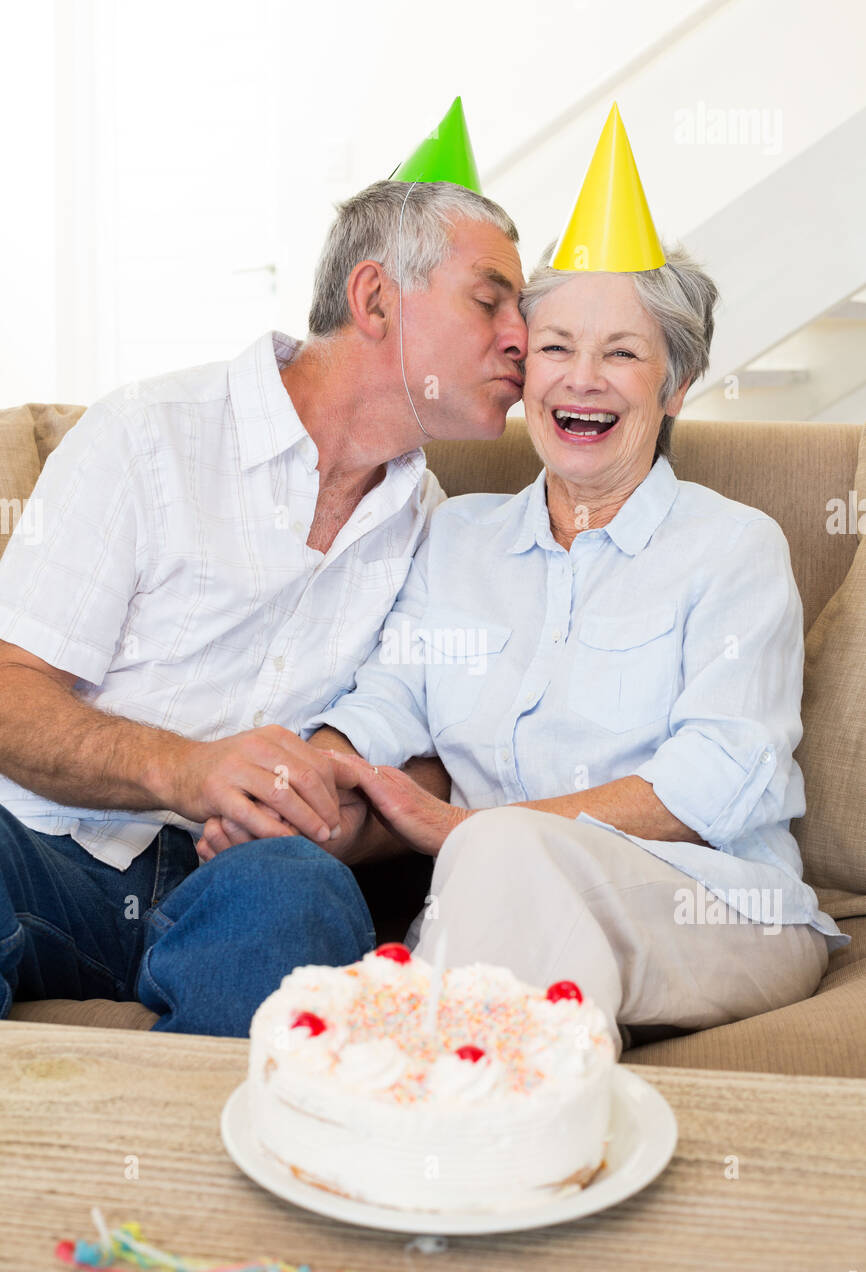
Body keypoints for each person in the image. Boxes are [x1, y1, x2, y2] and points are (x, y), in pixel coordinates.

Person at [199, 106, 849, 1055]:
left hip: (721, 908)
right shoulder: (456, 537)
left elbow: (718, 781)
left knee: (498, 857)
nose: (581, 380)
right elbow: (390, 701)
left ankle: (468, 1120)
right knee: (490, 893)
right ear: (522, 369)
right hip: (496, 901)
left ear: (675, 388)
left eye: (622, 353)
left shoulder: (733, 549)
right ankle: (518, 1129)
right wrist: (311, 780)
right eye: (555, 349)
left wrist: (476, 827)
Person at [0, 106, 527, 1035]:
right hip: (44, 846)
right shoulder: (146, 434)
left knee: (303, 893)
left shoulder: (435, 526)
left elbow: (429, 762)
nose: (524, 337)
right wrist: (187, 769)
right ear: (374, 301)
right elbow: (10, 693)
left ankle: (210, 1166)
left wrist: (331, 819)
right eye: (491, 302)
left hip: (239, 881)